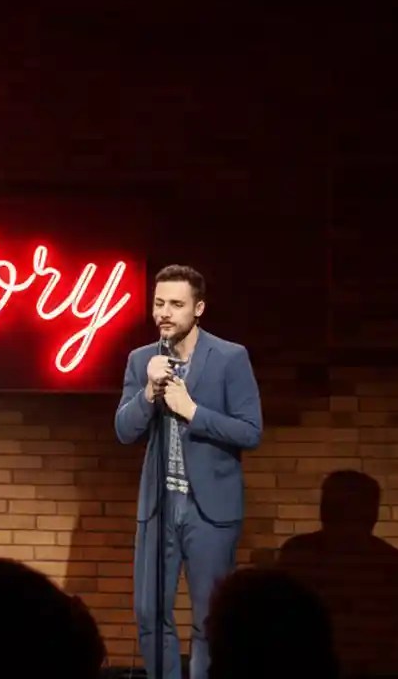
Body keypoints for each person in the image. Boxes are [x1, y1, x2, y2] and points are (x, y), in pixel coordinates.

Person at [114, 264, 263, 679]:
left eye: (176, 304)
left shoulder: (230, 357)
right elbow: (124, 430)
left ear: (198, 308)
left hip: (209, 510)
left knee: (208, 619)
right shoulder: (142, 359)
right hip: (159, 507)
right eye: (159, 303)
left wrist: (192, 411)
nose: (165, 312)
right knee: (148, 612)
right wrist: (147, 392)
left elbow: (250, 432)